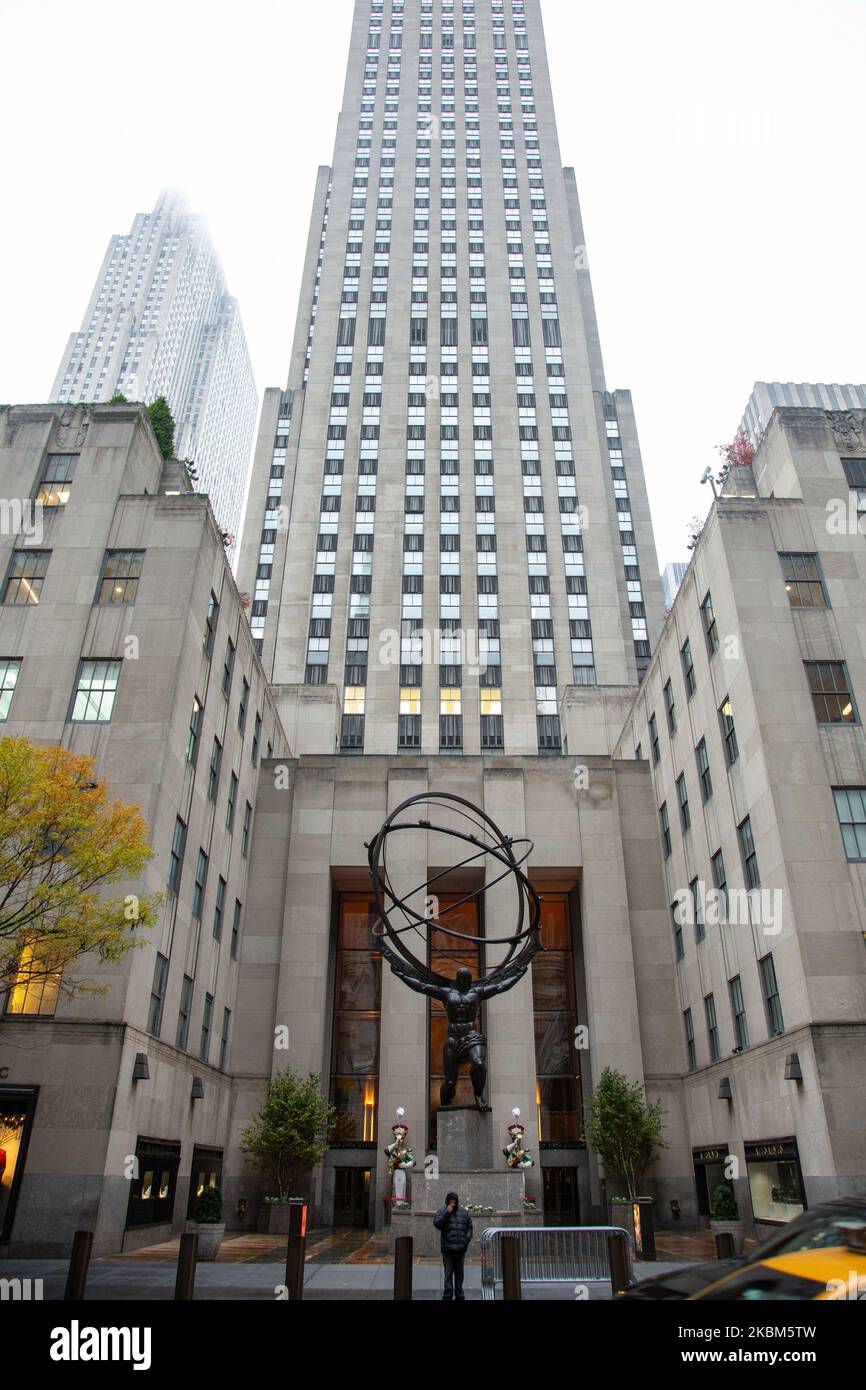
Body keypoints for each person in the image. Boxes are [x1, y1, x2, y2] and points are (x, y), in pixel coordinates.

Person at [434, 1190, 473, 1301]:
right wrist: (447, 1213)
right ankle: (448, 1295)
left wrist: (467, 1238)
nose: (452, 1202)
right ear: (447, 1201)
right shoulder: (442, 1211)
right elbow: (437, 1224)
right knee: (448, 1273)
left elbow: (469, 1226)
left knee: (460, 1274)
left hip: (461, 1248)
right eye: (450, 1200)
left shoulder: (463, 1212)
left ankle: (459, 1294)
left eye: (454, 1200)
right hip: (448, 1249)